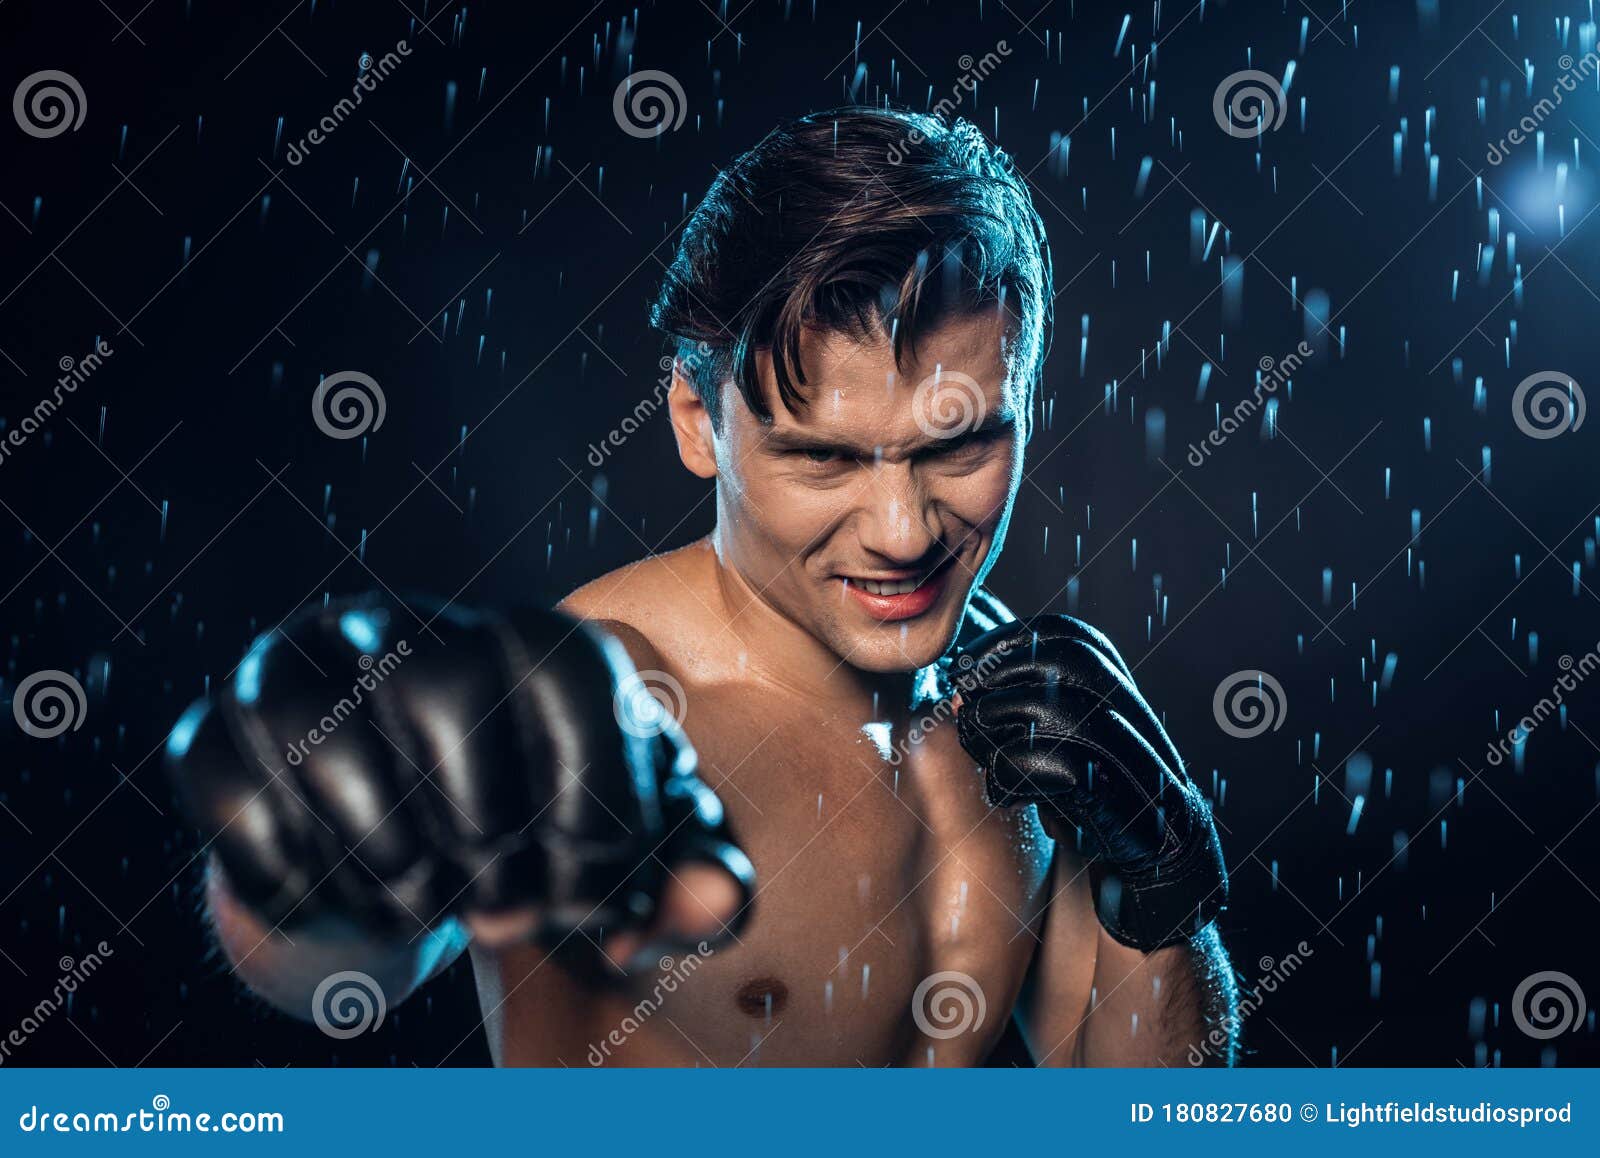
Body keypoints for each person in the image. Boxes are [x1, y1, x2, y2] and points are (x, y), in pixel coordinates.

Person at [166, 106, 1237, 1067]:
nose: (904, 533)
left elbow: (1140, 1107)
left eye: (955, 451)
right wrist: (306, 842)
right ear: (694, 419)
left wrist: (1165, 890)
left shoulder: (1017, 694)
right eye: (823, 460)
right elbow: (334, 964)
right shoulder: (617, 692)